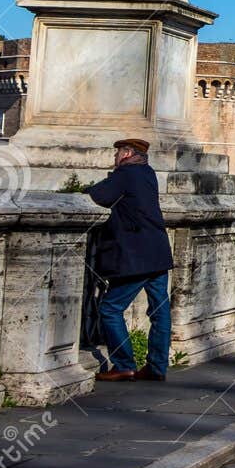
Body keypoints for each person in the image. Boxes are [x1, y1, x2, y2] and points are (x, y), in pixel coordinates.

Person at [86, 139, 174, 382]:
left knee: (110, 308)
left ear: (126, 153)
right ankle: (157, 366)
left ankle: (124, 364)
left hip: (137, 256)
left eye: (117, 153)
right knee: (159, 311)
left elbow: (99, 195)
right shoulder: (148, 174)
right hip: (158, 252)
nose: (114, 158)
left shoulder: (125, 174)